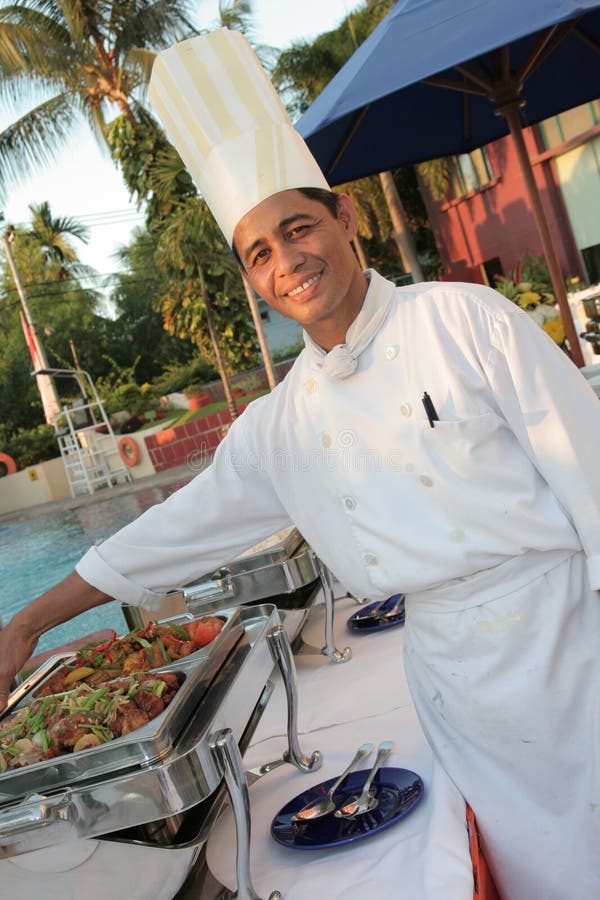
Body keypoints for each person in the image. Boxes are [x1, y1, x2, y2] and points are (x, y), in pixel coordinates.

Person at [1, 30, 599, 900]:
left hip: (568, 646)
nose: (289, 263)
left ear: (345, 220)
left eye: (298, 228)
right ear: (252, 278)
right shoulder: (279, 428)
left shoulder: (464, 321)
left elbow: (591, 470)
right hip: (456, 685)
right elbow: (168, 534)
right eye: (261, 253)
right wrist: (28, 623)